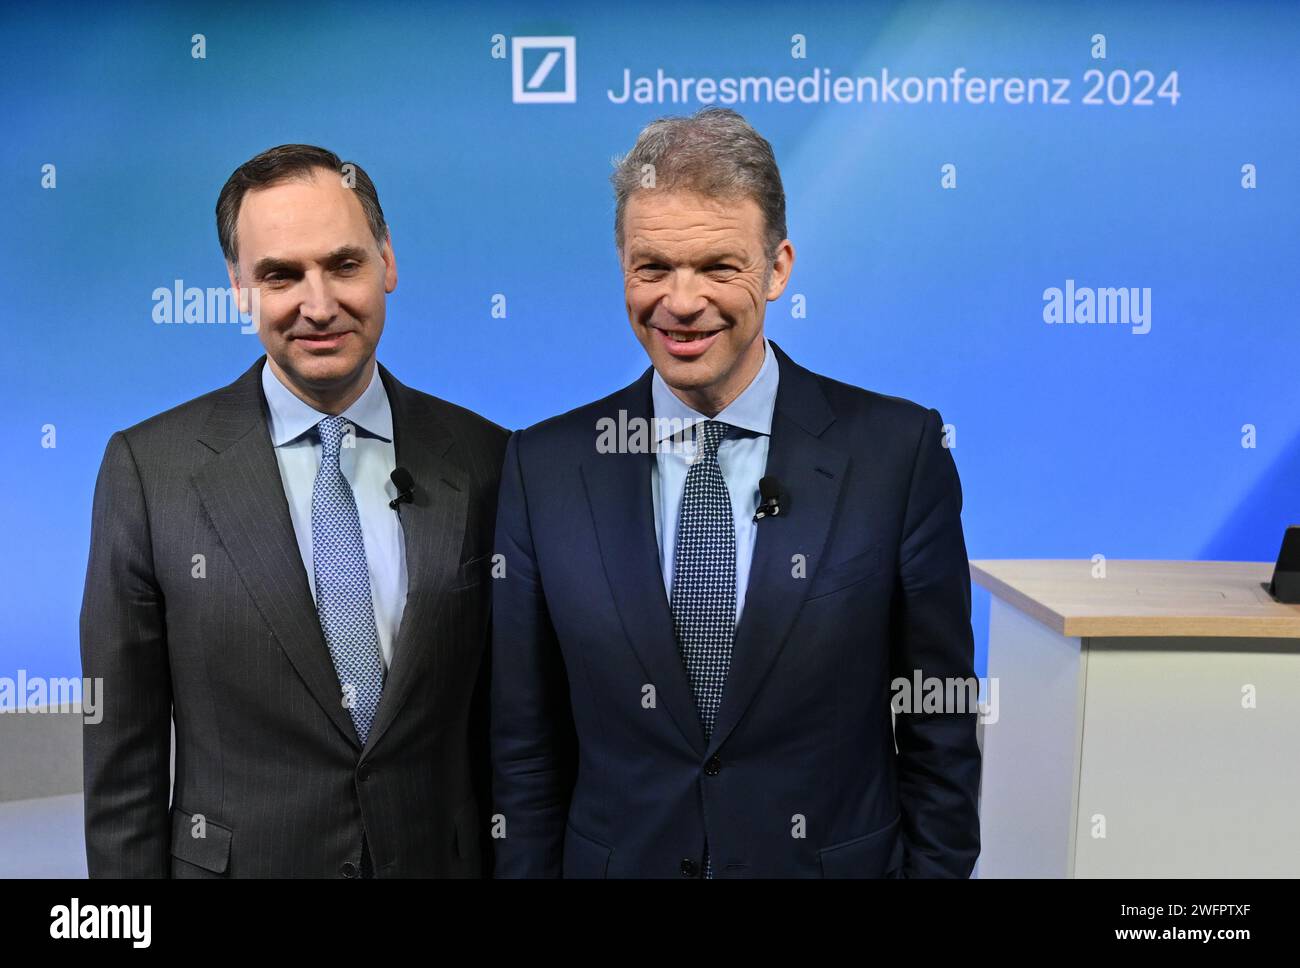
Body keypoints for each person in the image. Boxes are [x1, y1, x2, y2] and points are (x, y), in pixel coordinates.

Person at [491, 108, 980, 878]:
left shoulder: (897, 453)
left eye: (719, 266)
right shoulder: (542, 467)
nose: (682, 303)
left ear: (778, 268)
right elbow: (523, 748)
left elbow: (938, 717)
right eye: (653, 267)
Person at [81, 144, 507, 877]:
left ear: (388, 263)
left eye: (344, 265)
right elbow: (124, 763)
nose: (318, 304)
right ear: (239, 288)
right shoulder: (150, 471)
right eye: (281, 275)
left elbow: (513, 735)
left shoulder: (489, 457)